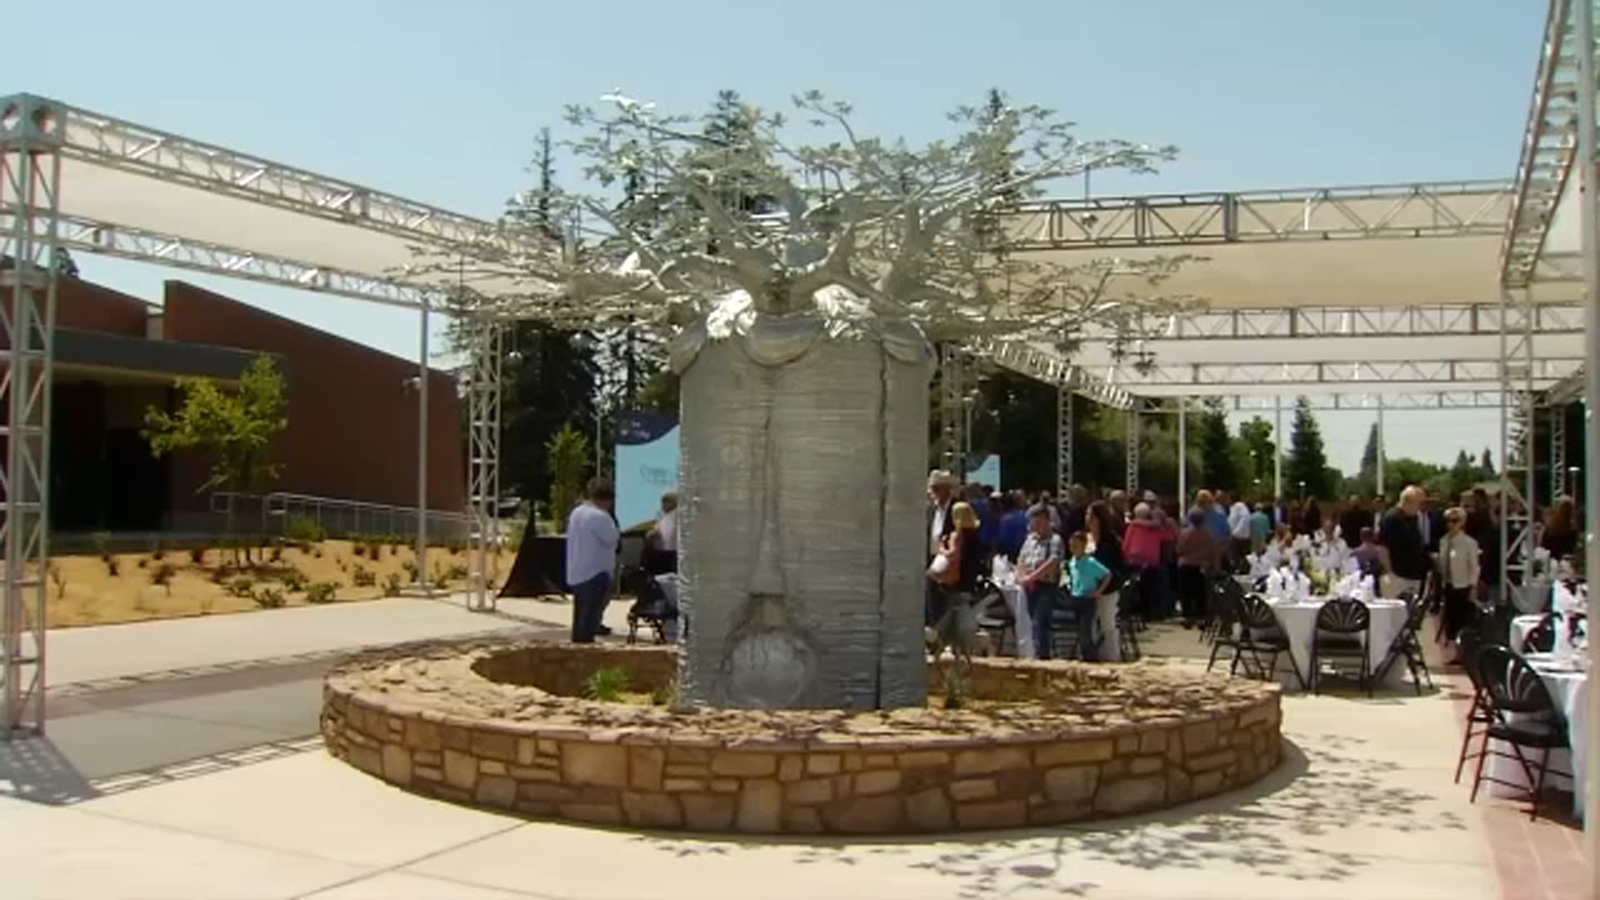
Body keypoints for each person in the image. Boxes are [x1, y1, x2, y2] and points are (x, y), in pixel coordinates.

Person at [565, 478, 620, 643]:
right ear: (607, 500)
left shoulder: (577, 512)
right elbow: (612, 539)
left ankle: (577, 647)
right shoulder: (600, 517)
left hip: (577, 571)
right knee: (590, 621)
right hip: (596, 572)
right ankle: (586, 651)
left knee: (580, 618)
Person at [1016, 507, 1065, 660]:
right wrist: (1023, 577)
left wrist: (1033, 577)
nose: (1034, 525)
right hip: (1030, 587)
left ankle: (1042, 657)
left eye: (1037, 521)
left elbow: (1053, 562)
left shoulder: (1055, 540)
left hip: (1046, 586)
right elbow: (1021, 559)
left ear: (1046, 520)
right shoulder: (1030, 539)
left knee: (1041, 622)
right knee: (1032, 622)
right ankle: (1036, 653)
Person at [1437, 507, 1480, 656]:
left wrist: (1473, 586)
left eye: (1454, 521)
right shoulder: (1444, 541)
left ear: (1462, 522)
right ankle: (1453, 649)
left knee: (1462, 620)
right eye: (1448, 521)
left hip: (1463, 585)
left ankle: (1462, 652)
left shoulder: (1469, 543)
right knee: (1450, 619)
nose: (1450, 524)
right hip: (1448, 584)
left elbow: (1474, 566)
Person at [1066, 531, 1113, 660]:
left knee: (1085, 631)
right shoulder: (1072, 562)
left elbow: (1107, 574)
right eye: (1071, 546)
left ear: (1083, 546)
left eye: (1076, 546)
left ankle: (1090, 657)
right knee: (1079, 630)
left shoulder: (1090, 562)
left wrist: (1098, 591)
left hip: (1087, 599)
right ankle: (1084, 655)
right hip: (1076, 597)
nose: (1073, 549)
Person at [1380, 486, 1431, 598]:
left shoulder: (1413, 518)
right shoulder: (1392, 518)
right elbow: (1383, 547)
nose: (1420, 507)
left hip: (1414, 575)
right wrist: (1390, 573)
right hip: (1398, 576)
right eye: (1419, 503)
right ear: (1408, 501)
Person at [1175, 508, 1220, 626]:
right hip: (1202, 566)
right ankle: (1201, 617)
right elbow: (1213, 551)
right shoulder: (1209, 534)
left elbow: (1179, 549)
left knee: (1185, 592)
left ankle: (1187, 616)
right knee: (1201, 593)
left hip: (1186, 565)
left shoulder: (1184, 533)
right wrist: (1215, 566)